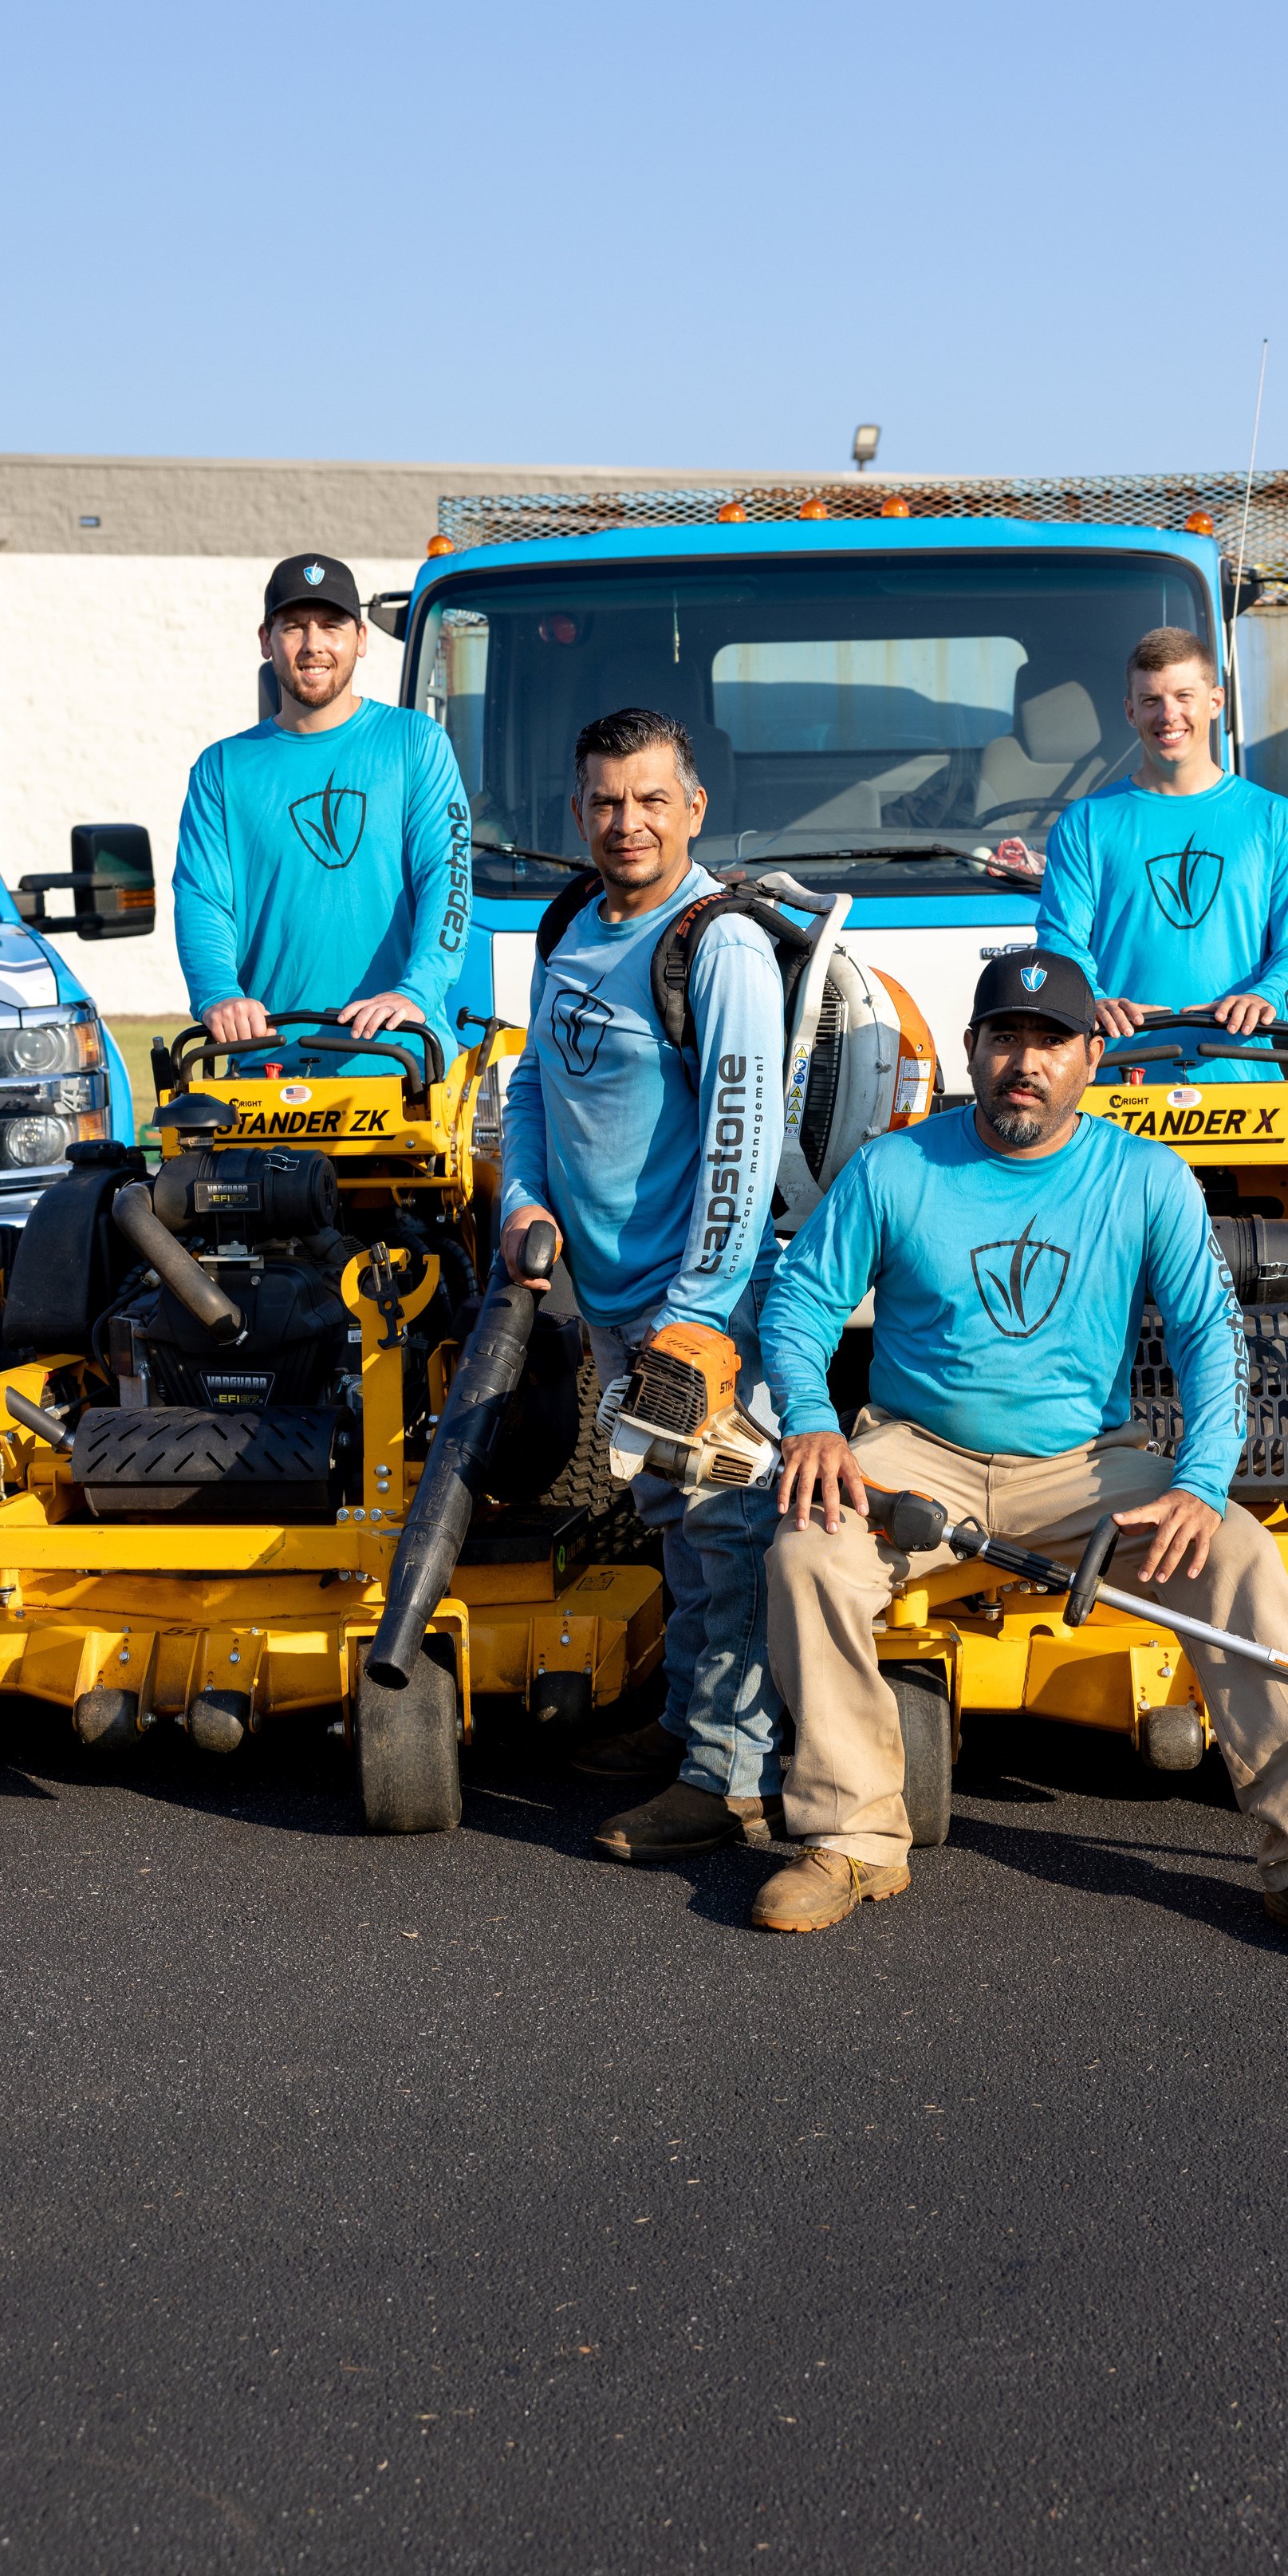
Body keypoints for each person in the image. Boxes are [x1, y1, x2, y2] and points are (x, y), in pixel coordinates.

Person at [752, 947, 1288, 1962]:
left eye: (1050, 1041)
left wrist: (1201, 1483)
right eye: (1005, 1036)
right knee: (805, 1550)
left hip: (1090, 1465)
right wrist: (812, 1421)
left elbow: (1207, 1338)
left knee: (1236, 1554)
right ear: (971, 1049)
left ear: (1092, 1056)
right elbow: (798, 1306)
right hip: (919, 1454)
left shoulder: (1144, 1177)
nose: (1024, 1060)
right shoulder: (895, 1167)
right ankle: (850, 1835)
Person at [498, 706, 790, 1858]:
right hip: (614, 1299)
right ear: (580, 811)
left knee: (726, 1524)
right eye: (608, 801)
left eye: (652, 800)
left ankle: (732, 1778)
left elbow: (742, 1139)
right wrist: (523, 1197)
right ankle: (687, 1723)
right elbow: (530, 1087)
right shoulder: (572, 918)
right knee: (672, 1512)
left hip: (694, 1307)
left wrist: (696, 1316)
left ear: (693, 809)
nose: (629, 822)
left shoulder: (717, 946)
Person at [173, 554, 473, 1063]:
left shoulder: (416, 743)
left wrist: (416, 992)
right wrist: (218, 993)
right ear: (266, 640)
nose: (314, 645)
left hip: (401, 1066)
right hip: (266, 1065)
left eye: (331, 626)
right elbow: (203, 901)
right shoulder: (221, 769)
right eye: (294, 627)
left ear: (360, 637)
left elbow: (447, 880)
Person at [1033, 624, 1288, 1077]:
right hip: (1117, 1081)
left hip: (1246, 1079)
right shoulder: (1085, 822)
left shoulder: (1275, 820)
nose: (1168, 715)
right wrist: (1092, 999)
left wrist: (1267, 997)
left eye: (1184, 696)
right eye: (1151, 700)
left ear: (1215, 701)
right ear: (1131, 711)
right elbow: (1060, 943)